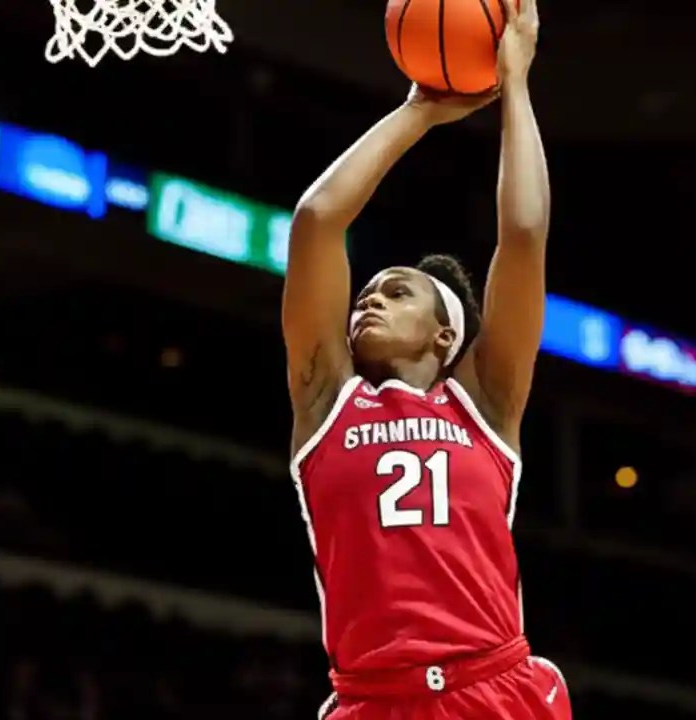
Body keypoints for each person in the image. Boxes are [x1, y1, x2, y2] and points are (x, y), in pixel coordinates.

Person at [281, 0, 569, 718]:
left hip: (492, 689)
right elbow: (318, 221)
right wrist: (419, 111)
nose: (367, 301)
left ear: (447, 337)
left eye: (397, 292)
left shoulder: (486, 403)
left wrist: (517, 82)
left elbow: (525, 232)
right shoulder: (326, 400)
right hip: (373, 700)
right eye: (366, 293)